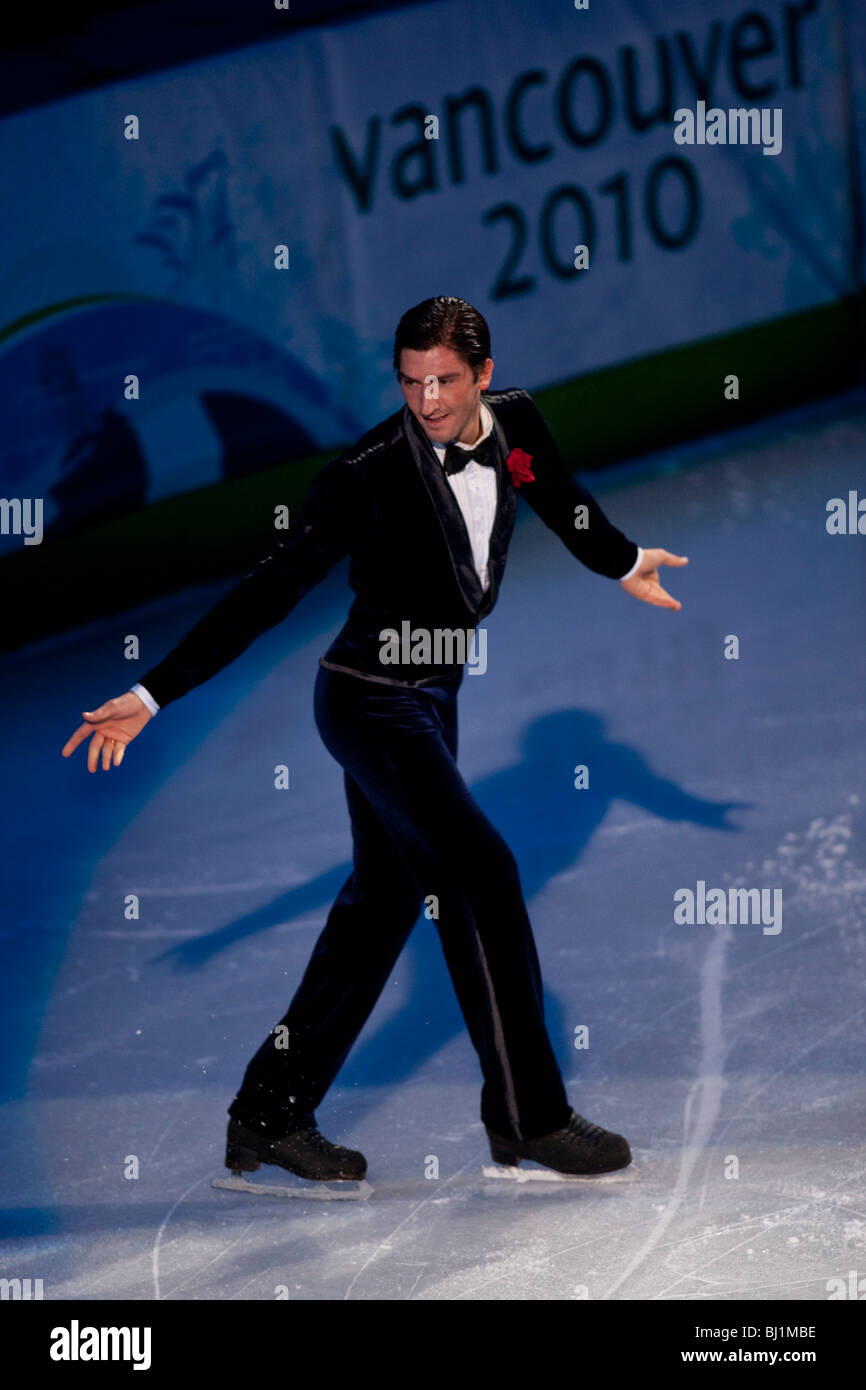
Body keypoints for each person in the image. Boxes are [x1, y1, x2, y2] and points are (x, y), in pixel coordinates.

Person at [62, 296, 687, 1183]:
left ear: (485, 376)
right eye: (410, 382)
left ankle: (268, 1114)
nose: (427, 401)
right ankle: (527, 1116)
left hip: (433, 696)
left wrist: (623, 562)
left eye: (445, 382)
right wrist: (152, 692)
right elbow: (270, 588)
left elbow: (559, 498)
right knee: (484, 873)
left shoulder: (516, 424)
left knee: (384, 901)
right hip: (366, 700)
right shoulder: (366, 473)